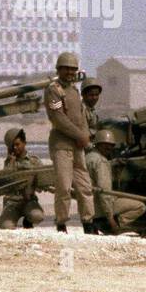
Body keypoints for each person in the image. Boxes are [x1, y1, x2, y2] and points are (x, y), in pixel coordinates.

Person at [43, 51, 94, 233]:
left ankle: (88, 222)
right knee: (64, 187)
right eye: (66, 69)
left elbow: (81, 118)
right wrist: (80, 136)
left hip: (78, 146)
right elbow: (58, 118)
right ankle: (61, 223)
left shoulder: (74, 91)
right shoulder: (53, 91)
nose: (70, 73)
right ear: (59, 69)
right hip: (62, 145)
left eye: (73, 69)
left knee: (85, 186)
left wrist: (86, 136)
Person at [83, 127, 141, 234]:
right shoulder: (102, 162)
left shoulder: (88, 157)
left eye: (111, 145)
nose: (109, 147)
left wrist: (113, 163)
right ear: (98, 144)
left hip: (88, 207)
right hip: (99, 209)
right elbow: (105, 192)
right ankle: (116, 226)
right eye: (105, 145)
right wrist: (111, 220)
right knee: (140, 206)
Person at [0, 128, 45, 229]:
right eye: (13, 146)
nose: (15, 148)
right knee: (6, 227)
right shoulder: (9, 162)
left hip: (28, 201)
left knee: (37, 216)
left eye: (17, 144)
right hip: (12, 203)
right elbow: (4, 184)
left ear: (24, 143)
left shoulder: (34, 161)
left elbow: (40, 188)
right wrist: (10, 164)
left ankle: (27, 220)